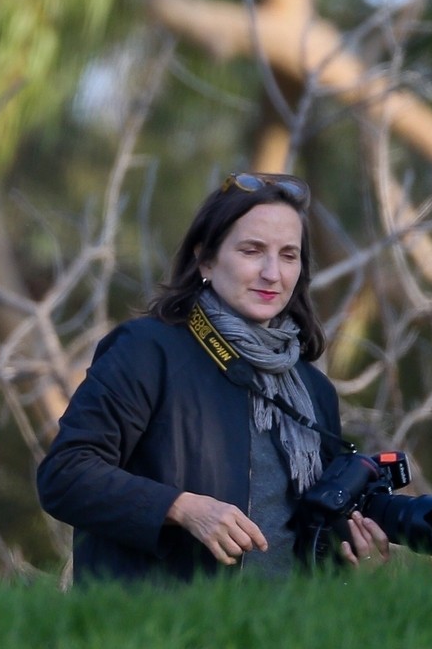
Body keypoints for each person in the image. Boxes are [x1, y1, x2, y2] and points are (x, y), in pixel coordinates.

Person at [36, 173, 391, 584]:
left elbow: (303, 534)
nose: (272, 273)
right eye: (252, 250)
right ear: (205, 259)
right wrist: (182, 508)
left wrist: (348, 548)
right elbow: (65, 475)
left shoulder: (313, 389)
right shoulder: (147, 350)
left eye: (289, 255)